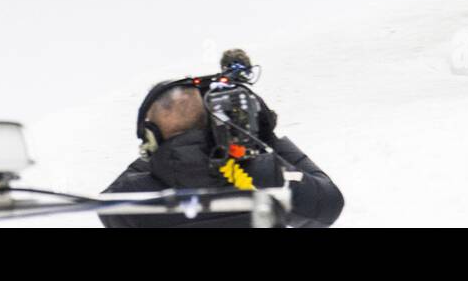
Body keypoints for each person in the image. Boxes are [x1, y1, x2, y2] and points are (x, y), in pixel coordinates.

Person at [100, 79, 343, 228]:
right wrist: (270, 139)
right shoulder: (266, 173)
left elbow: (106, 207)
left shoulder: (129, 197)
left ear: (151, 135)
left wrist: (157, 153)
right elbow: (328, 206)